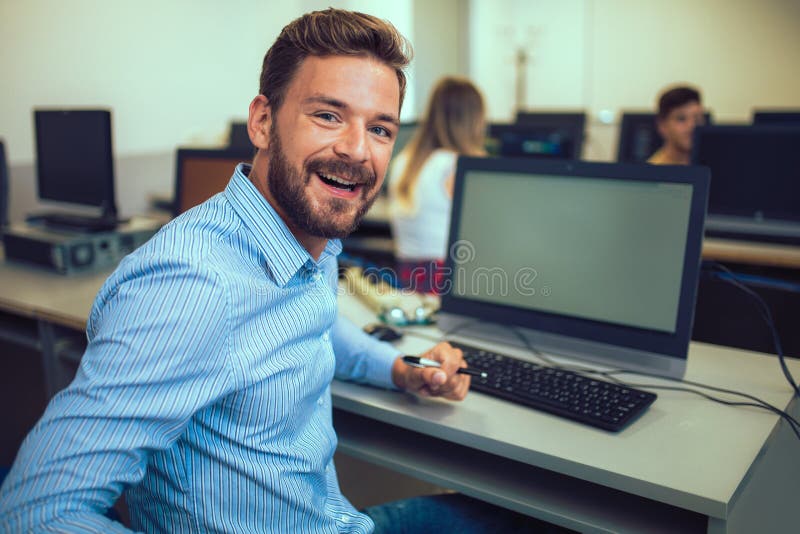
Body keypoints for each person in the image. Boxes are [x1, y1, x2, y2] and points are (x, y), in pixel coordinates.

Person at [0, 8, 473, 533]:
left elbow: (312, 323)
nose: (357, 150)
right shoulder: (192, 286)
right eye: (327, 115)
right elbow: (37, 514)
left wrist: (400, 368)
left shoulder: (306, 239)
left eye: (380, 128)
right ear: (263, 121)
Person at [388, 77, 487, 294]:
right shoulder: (458, 165)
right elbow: (488, 231)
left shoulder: (403, 161)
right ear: (474, 120)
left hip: (408, 279)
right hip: (447, 281)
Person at [648, 85, 706, 165]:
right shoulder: (654, 169)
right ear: (662, 126)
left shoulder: (713, 164)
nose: (691, 126)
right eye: (681, 119)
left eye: (697, 119)